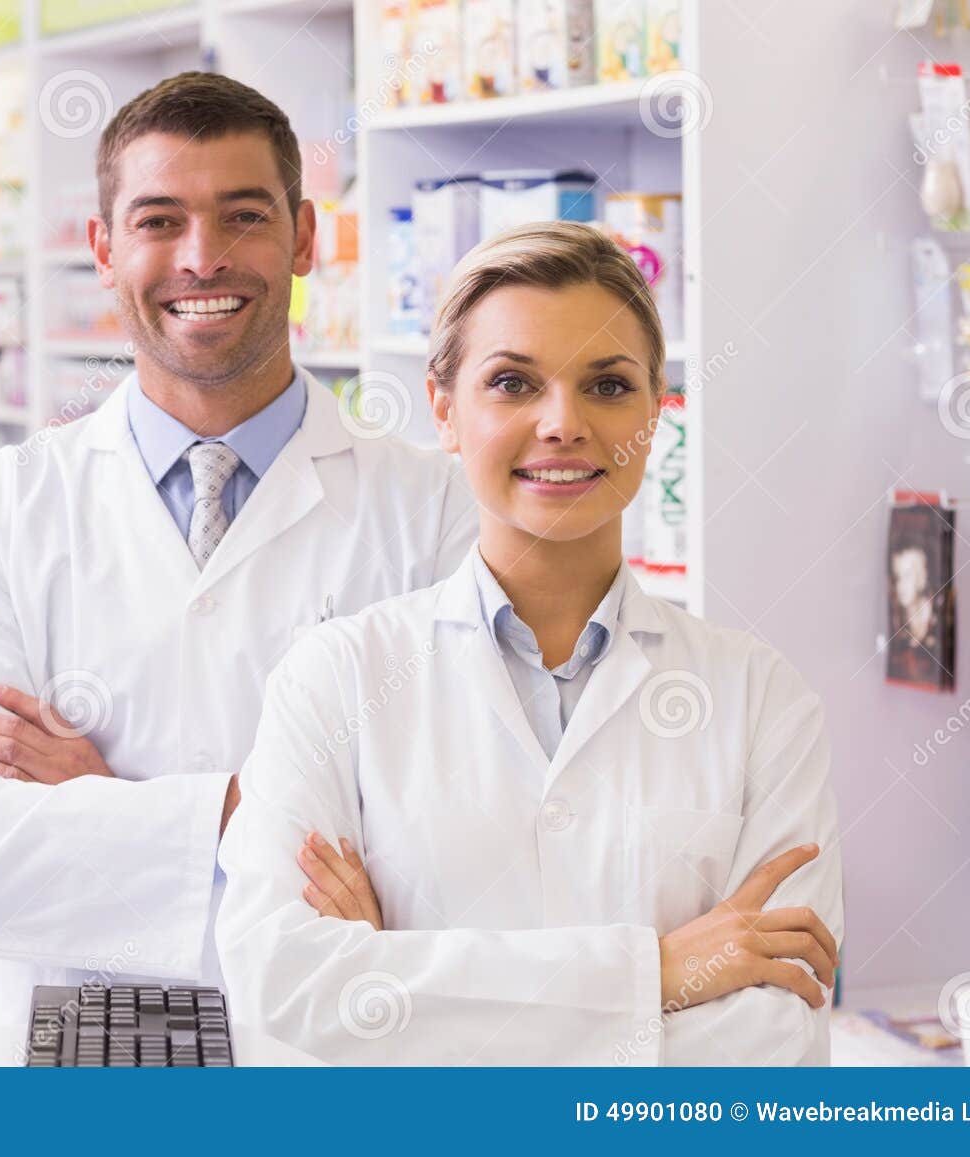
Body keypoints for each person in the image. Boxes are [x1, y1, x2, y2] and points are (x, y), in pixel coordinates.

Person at [0, 72, 476, 1027]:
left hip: (339, 1048)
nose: (203, 258)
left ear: (306, 238)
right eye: (159, 220)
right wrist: (274, 826)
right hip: (73, 1052)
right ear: (104, 248)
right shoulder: (2, 509)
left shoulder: (436, 510)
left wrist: (106, 803)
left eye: (243, 215)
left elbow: (453, 852)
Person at [216, 221, 844, 1065]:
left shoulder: (760, 699)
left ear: (655, 414)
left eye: (608, 385)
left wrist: (402, 982)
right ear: (443, 409)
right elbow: (283, 982)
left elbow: (773, 1032)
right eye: (513, 383)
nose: (563, 423)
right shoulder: (333, 680)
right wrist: (655, 971)